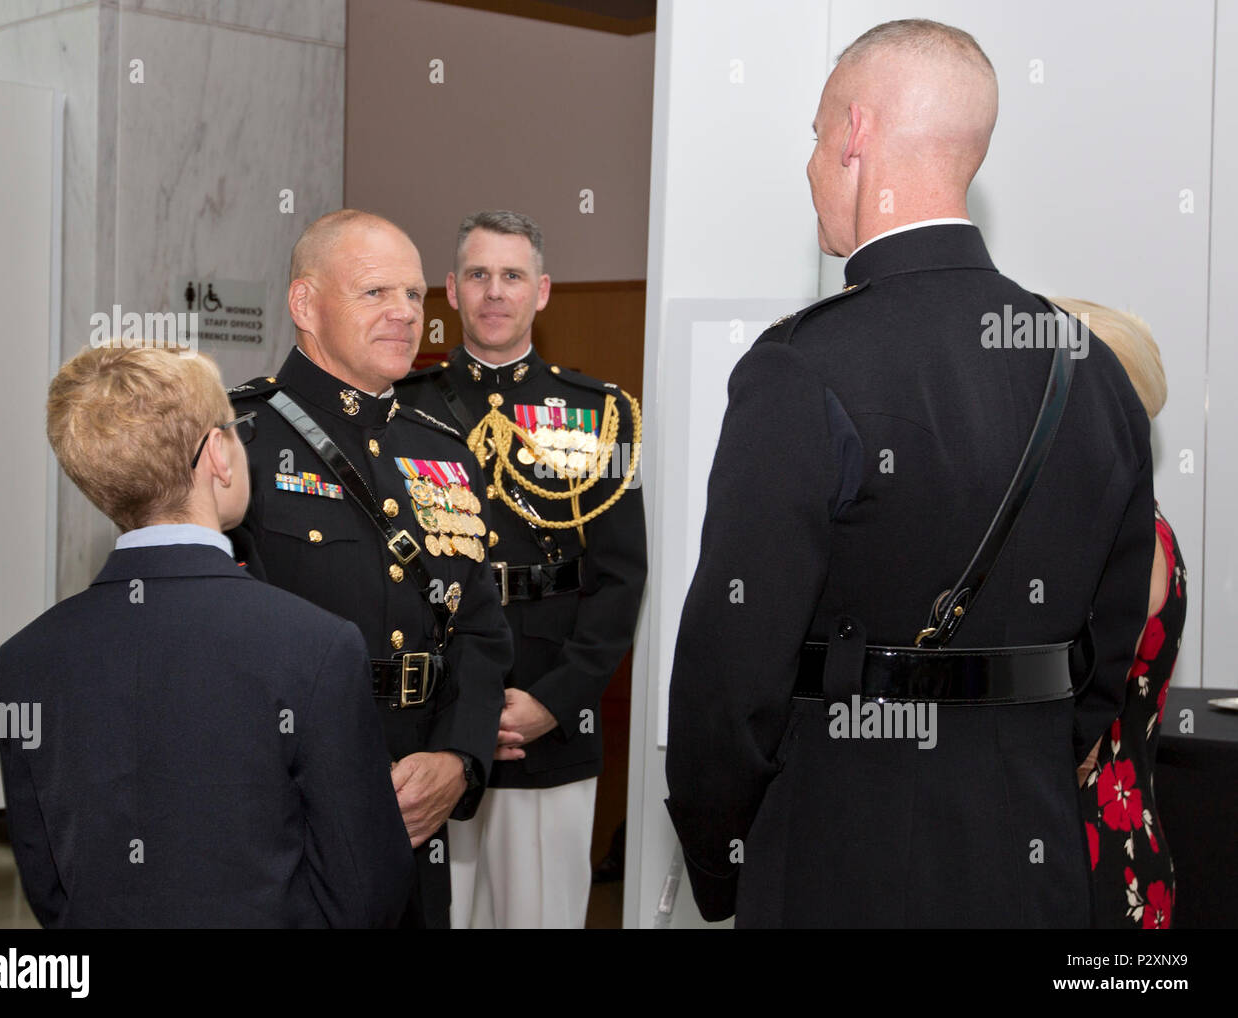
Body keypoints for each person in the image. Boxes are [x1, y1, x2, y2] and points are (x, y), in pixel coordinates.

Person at [665, 19, 1156, 927]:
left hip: (842, 854)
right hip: (1037, 857)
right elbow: (1112, 641)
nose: (810, 163)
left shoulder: (800, 367)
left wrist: (719, 854)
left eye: (816, 134)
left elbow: (731, 671)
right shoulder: (1089, 367)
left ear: (855, 132)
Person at [0, 345, 414, 928]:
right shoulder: (315, 646)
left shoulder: (25, 659)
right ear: (217, 454)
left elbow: (46, 879)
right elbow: (367, 885)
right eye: (238, 431)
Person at [227, 209, 512, 929]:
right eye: (376, 292)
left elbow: (481, 628)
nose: (406, 313)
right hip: (285, 807)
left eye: (414, 294)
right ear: (305, 304)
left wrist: (459, 758)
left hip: (419, 804)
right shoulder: (236, 442)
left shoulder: (443, 451)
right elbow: (213, 643)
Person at [396, 210, 646, 928]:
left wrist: (555, 701)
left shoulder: (602, 417)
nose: (495, 291)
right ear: (451, 290)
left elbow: (621, 577)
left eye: (513, 275)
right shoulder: (402, 411)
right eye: (478, 275)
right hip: (431, 719)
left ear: (542, 291)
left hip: (548, 718)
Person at [1054, 298, 1184, 929]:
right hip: (1115, 847)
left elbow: (1077, 722)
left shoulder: (1116, 540)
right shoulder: (1140, 528)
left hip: (1096, 862)